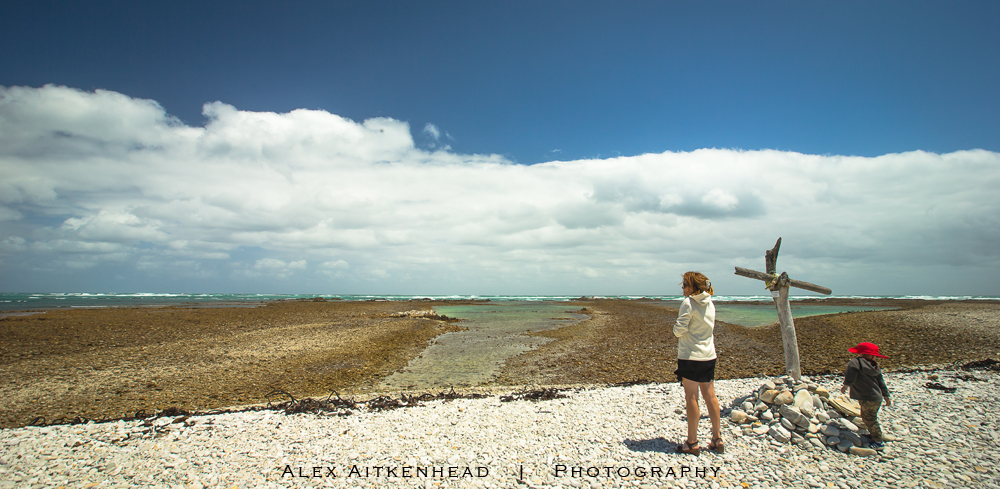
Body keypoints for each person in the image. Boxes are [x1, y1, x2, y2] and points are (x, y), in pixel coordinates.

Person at [673, 271, 722, 456]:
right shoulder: (710, 303)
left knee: (691, 397)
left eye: (685, 284)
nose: (682, 287)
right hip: (709, 354)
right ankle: (717, 438)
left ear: (694, 287)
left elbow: (679, 330)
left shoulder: (688, 303)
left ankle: (692, 442)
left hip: (690, 356)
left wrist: (677, 328)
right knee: (710, 395)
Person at [840, 342, 892, 450]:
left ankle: (878, 441)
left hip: (867, 397)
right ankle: (873, 435)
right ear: (872, 355)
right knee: (868, 417)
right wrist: (886, 396)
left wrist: (846, 384)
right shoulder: (875, 366)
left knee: (870, 419)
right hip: (876, 397)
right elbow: (881, 382)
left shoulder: (855, 362)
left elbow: (851, 373)